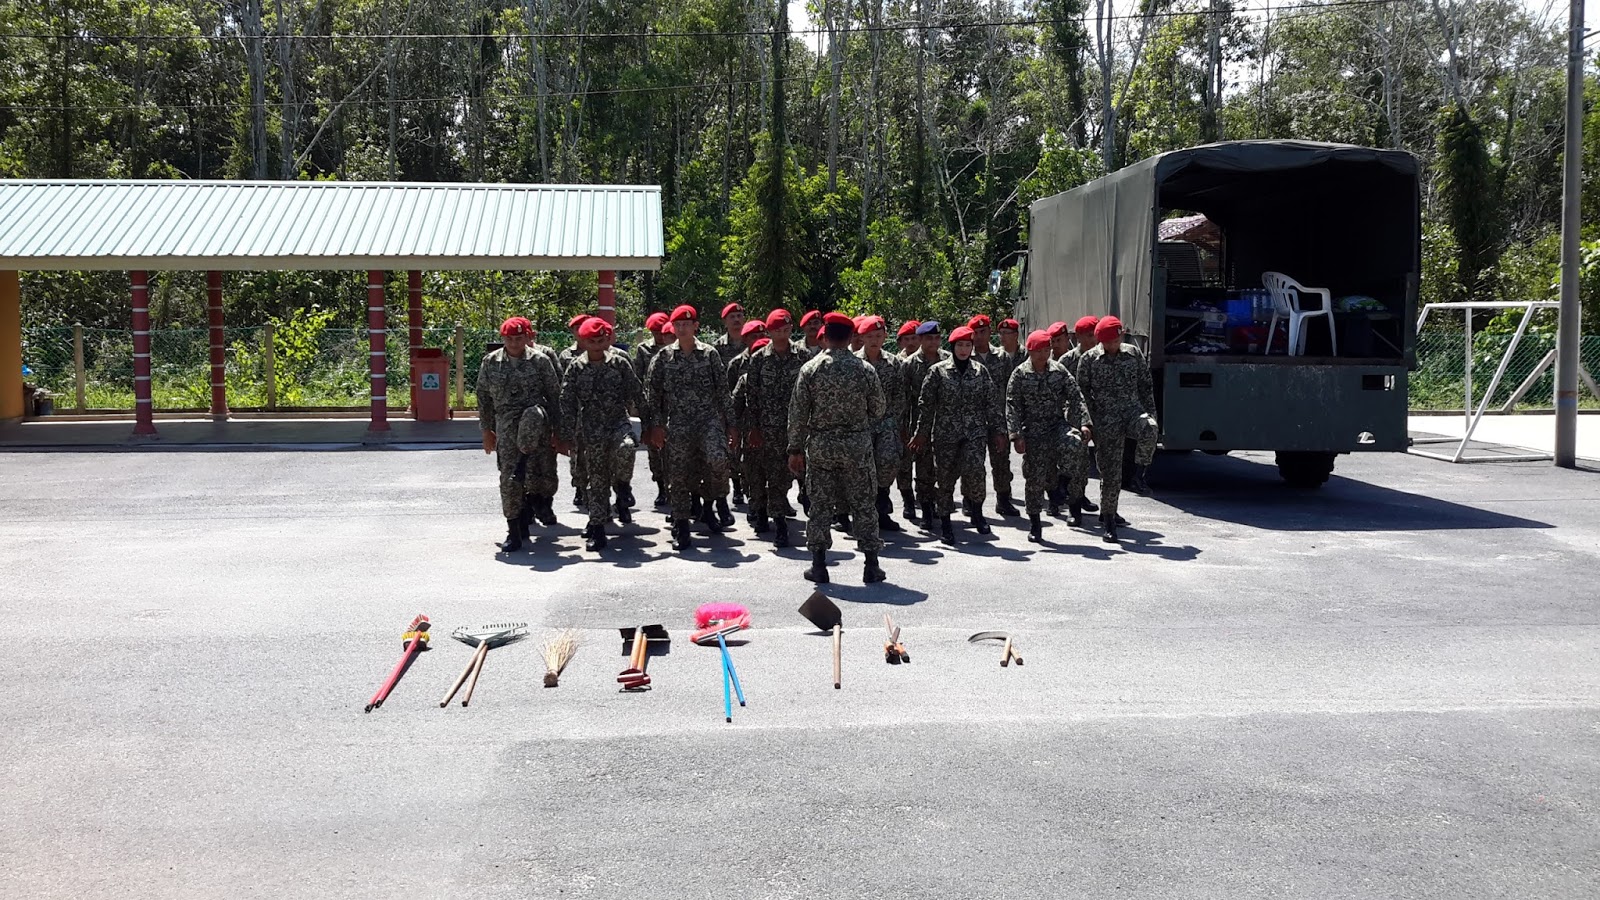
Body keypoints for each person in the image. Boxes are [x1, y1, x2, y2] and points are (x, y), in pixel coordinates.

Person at [788, 312, 887, 584]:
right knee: (864, 504)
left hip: (822, 446)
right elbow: (879, 409)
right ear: (849, 336)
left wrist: (794, 448)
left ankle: (819, 566)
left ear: (826, 335)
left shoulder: (810, 369)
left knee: (820, 505)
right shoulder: (865, 369)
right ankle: (871, 565)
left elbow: (797, 413)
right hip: (857, 447)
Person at [644, 305, 736, 551]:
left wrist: (731, 425)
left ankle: (711, 501)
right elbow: (653, 396)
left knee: (718, 461)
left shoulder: (709, 354)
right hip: (679, 424)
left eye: (687, 324)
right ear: (673, 328)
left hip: (708, 421)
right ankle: (682, 526)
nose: (682, 328)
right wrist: (656, 426)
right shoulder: (663, 358)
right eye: (678, 324)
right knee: (679, 475)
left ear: (696, 326)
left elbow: (723, 392)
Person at [909, 325, 1002, 544]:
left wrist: (999, 430)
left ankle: (978, 514)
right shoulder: (938, 372)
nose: (964, 349)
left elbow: (991, 402)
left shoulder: (980, 370)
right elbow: (926, 406)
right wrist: (921, 434)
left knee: (976, 472)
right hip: (945, 434)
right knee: (945, 478)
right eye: (960, 345)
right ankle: (946, 522)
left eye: (968, 345)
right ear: (952, 347)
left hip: (974, 433)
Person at [477, 316, 562, 553]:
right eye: (509, 338)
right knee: (510, 476)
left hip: (538, 425)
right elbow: (483, 397)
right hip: (506, 425)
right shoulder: (491, 362)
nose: (514, 343)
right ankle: (514, 528)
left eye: (519, 338)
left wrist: (559, 432)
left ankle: (538, 504)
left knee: (540, 474)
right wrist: (487, 430)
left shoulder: (540, 361)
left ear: (527, 337)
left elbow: (555, 397)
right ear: (503, 338)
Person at [559, 317, 643, 552]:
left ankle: (623, 485)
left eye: (601, 340)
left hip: (617, 422)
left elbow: (638, 392)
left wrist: (652, 424)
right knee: (596, 479)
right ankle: (597, 527)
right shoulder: (576, 367)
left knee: (627, 448)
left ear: (608, 339)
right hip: (591, 429)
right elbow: (566, 400)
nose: (597, 345)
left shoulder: (619, 364)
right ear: (584, 341)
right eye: (592, 341)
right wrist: (565, 435)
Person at [1075, 316, 1158, 542]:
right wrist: (1088, 422)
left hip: (1132, 411)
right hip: (1105, 420)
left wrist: (1151, 413)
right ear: (1100, 341)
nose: (1112, 345)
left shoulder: (1132, 353)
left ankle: (1139, 474)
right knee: (1111, 473)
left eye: (1116, 340)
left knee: (1150, 429)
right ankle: (1109, 519)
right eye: (1108, 342)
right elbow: (1081, 395)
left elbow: (1145, 385)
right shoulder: (1089, 359)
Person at [734, 308, 813, 547]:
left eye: (787, 329)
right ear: (769, 332)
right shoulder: (758, 359)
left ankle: (786, 515)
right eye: (778, 330)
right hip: (766, 429)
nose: (782, 334)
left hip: (795, 427)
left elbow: (811, 392)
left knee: (788, 475)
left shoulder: (803, 356)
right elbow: (752, 396)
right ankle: (775, 520)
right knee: (765, 474)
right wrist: (753, 428)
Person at [1006, 329, 1089, 542]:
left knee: (1075, 443)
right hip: (1032, 431)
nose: (1044, 355)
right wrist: (1015, 435)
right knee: (1035, 479)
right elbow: (1012, 406)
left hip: (1056, 425)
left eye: (1047, 350)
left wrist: (1084, 422)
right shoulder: (1020, 374)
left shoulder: (1059, 370)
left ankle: (1064, 482)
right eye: (1039, 351)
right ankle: (1035, 524)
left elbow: (1076, 396)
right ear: (1030, 352)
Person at [854, 315, 908, 532]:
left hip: (885, 423)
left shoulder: (894, 363)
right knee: (860, 470)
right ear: (862, 337)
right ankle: (859, 516)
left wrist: (892, 419)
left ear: (885, 336)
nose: (874, 340)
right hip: (860, 424)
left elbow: (899, 395)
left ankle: (882, 508)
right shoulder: (855, 362)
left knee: (887, 463)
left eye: (878, 335)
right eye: (870, 336)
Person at [968, 314, 1020, 518]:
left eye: (983, 332)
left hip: (997, 418)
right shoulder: (965, 356)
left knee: (1001, 461)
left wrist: (1010, 421)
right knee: (972, 462)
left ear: (990, 333)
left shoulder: (1002, 358)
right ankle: (970, 500)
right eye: (976, 333)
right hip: (973, 420)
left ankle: (1003, 499)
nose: (980, 336)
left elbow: (1010, 390)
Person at [902, 321, 950, 530]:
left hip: (947, 423)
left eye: (936, 338)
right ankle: (927, 510)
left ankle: (942, 506)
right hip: (920, 423)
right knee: (923, 469)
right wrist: (903, 428)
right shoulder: (910, 364)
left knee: (945, 469)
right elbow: (902, 398)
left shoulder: (949, 359)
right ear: (920, 340)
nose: (933, 342)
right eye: (929, 338)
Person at [1055, 315, 1102, 517]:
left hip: (1102, 416)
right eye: (1090, 335)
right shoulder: (1067, 361)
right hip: (1074, 416)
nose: (1094, 340)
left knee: (1107, 464)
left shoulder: (1104, 356)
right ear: (1079, 337)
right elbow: (1058, 393)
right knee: (1078, 463)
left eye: (1096, 335)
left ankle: (1109, 509)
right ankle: (1074, 506)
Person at [631, 312, 674, 507]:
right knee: (654, 449)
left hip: (673, 404)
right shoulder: (643, 349)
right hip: (651, 404)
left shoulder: (674, 346)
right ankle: (661, 487)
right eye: (655, 332)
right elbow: (637, 377)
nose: (658, 336)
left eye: (661, 331)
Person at [724, 318, 766, 509]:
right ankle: (739, 488)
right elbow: (730, 392)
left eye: (761, 335)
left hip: (769, 421)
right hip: (744, 420)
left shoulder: (770, 360)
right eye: (754, 336)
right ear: (746, 339)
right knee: (740, 459)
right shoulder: (737, 364)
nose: (758, 339)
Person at [560, 313, 592, 509]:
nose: (580, 332)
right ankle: (579, 486)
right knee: (576, 451)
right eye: (576, 329)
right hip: (574, 410)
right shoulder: (566, 355)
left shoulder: (601, 350)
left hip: (595, 410)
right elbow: (562, 384)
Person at [893, 320, 922, 515]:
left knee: (927, 463)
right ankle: (907, 500)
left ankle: (926, 497)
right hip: (903, 419)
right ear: (900, 342)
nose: (911, 342)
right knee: (904, 463)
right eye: (907, 339)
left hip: (924, 420)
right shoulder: (896, 363)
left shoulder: (931, 361)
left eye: (914, 338)